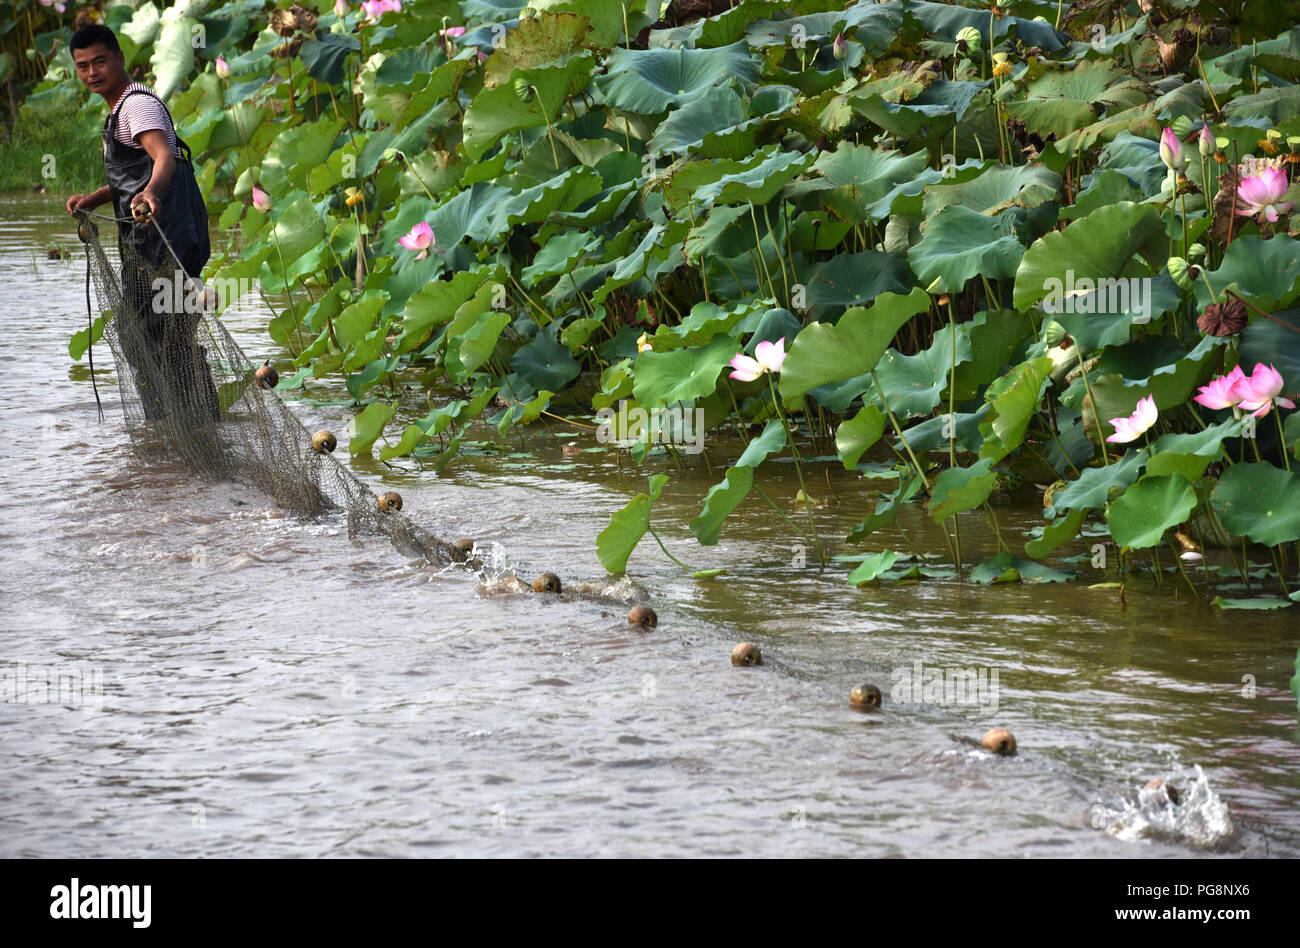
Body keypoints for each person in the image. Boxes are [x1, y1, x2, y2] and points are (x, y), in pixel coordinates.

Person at [64, 23, 217, 423]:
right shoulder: (118, 110)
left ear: (119, 58)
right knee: (151, 336)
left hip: (168, 240)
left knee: (168, 336)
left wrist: (151, 194)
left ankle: (195, 424)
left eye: (99, 61)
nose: (92, 72)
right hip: (149, 241)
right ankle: (177, 426)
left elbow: (163, 157)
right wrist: (95, 198)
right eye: (82, 66)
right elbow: (133, 175)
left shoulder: (136, 105)